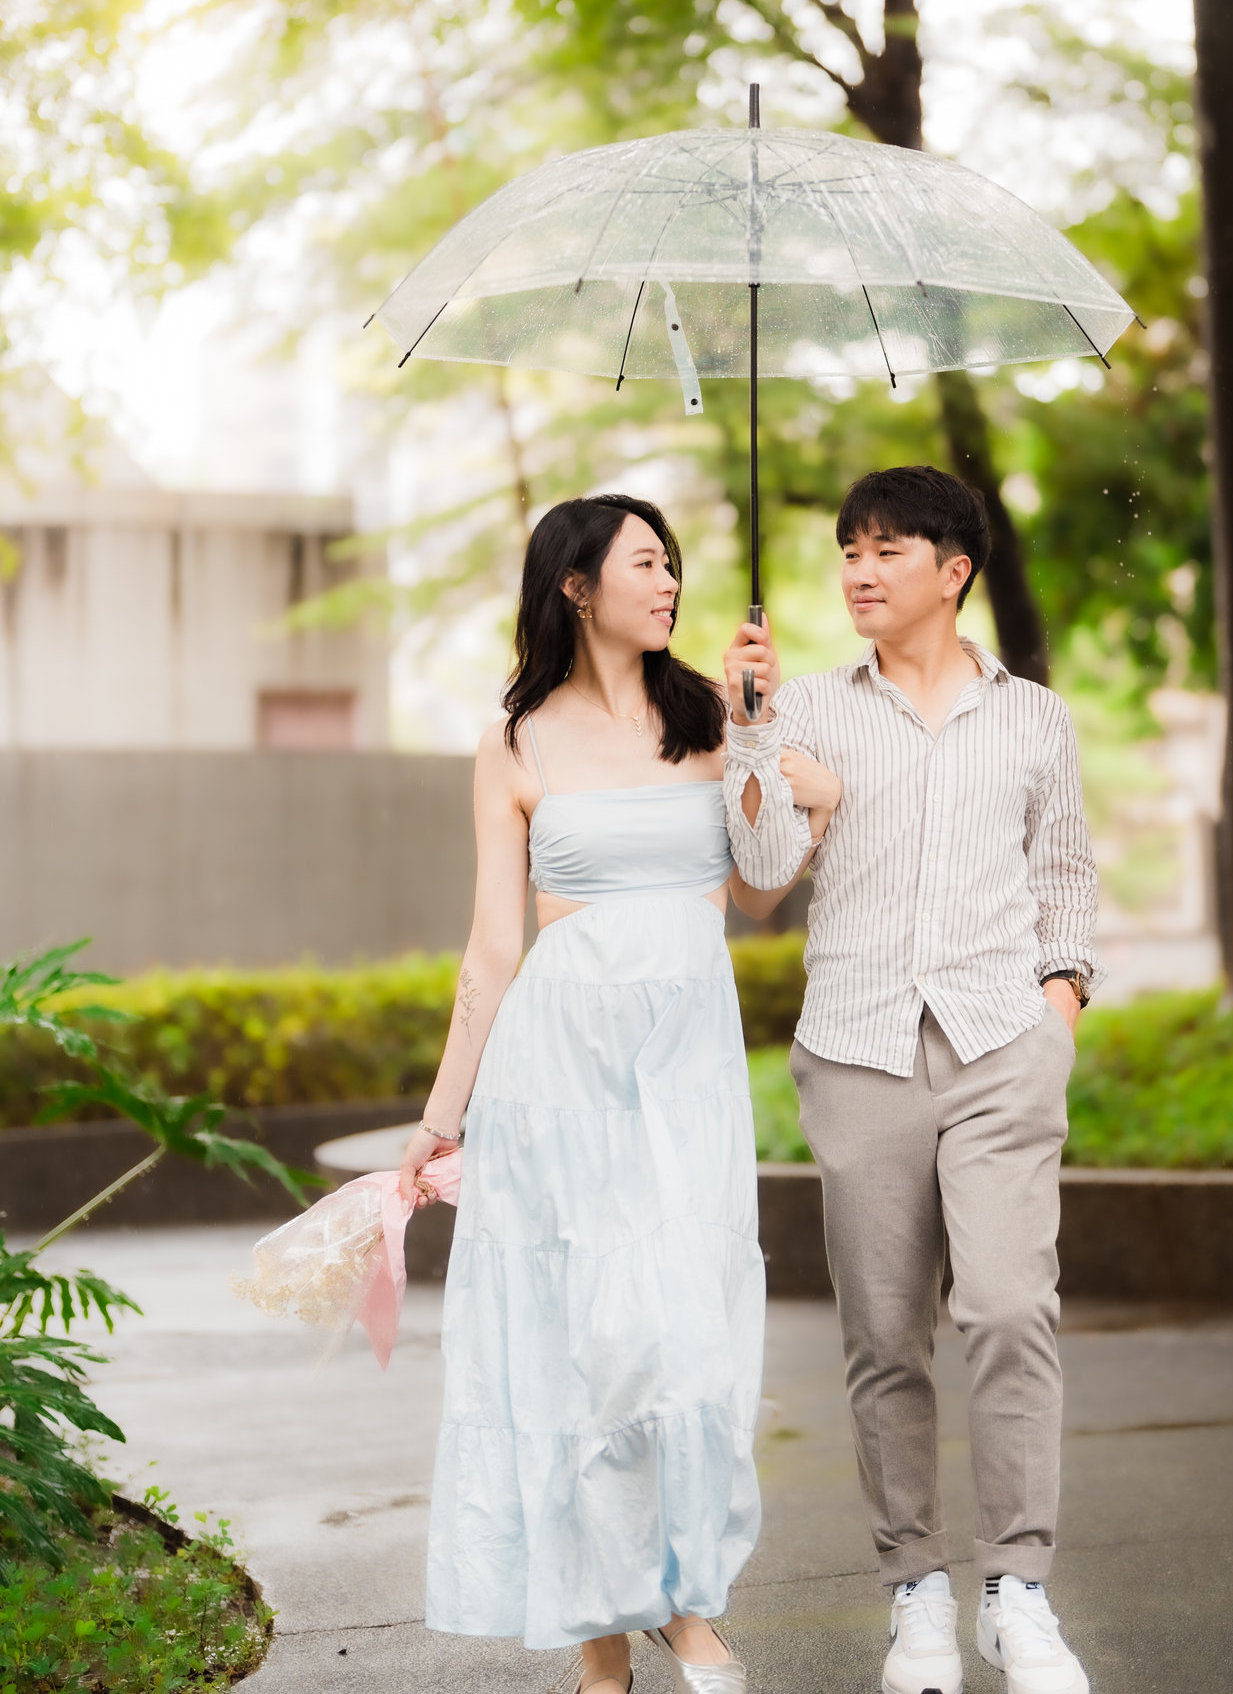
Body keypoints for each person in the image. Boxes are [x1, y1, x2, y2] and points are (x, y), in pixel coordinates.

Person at [398, 494, 841, 1694]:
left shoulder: (711, 717)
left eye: (674, 563)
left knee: (684, 1332)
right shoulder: (514, 743)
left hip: (684, 1068)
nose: (670, 581)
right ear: (576, 587)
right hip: (559, 1072)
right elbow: (492, 946)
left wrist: (766, 747)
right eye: (644, 562)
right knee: (576, 1343)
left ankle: (686, 1603)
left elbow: (756, 893)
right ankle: (603, 1642)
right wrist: (444, 1118)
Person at [722, 465, 1099, 1694]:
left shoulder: (1033, 716)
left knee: (1005, 1309)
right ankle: (917, 1596)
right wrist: (760, 731)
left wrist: (1059, 1013)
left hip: (1000, 1044)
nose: (859, 571)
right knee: (885, 1336)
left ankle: (1020, 1592)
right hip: (858, 1047)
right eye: (847, 550)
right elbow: (762, 873)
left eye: (887, 549)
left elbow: (1066, 882)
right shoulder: (813, 707)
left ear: (954, 570)